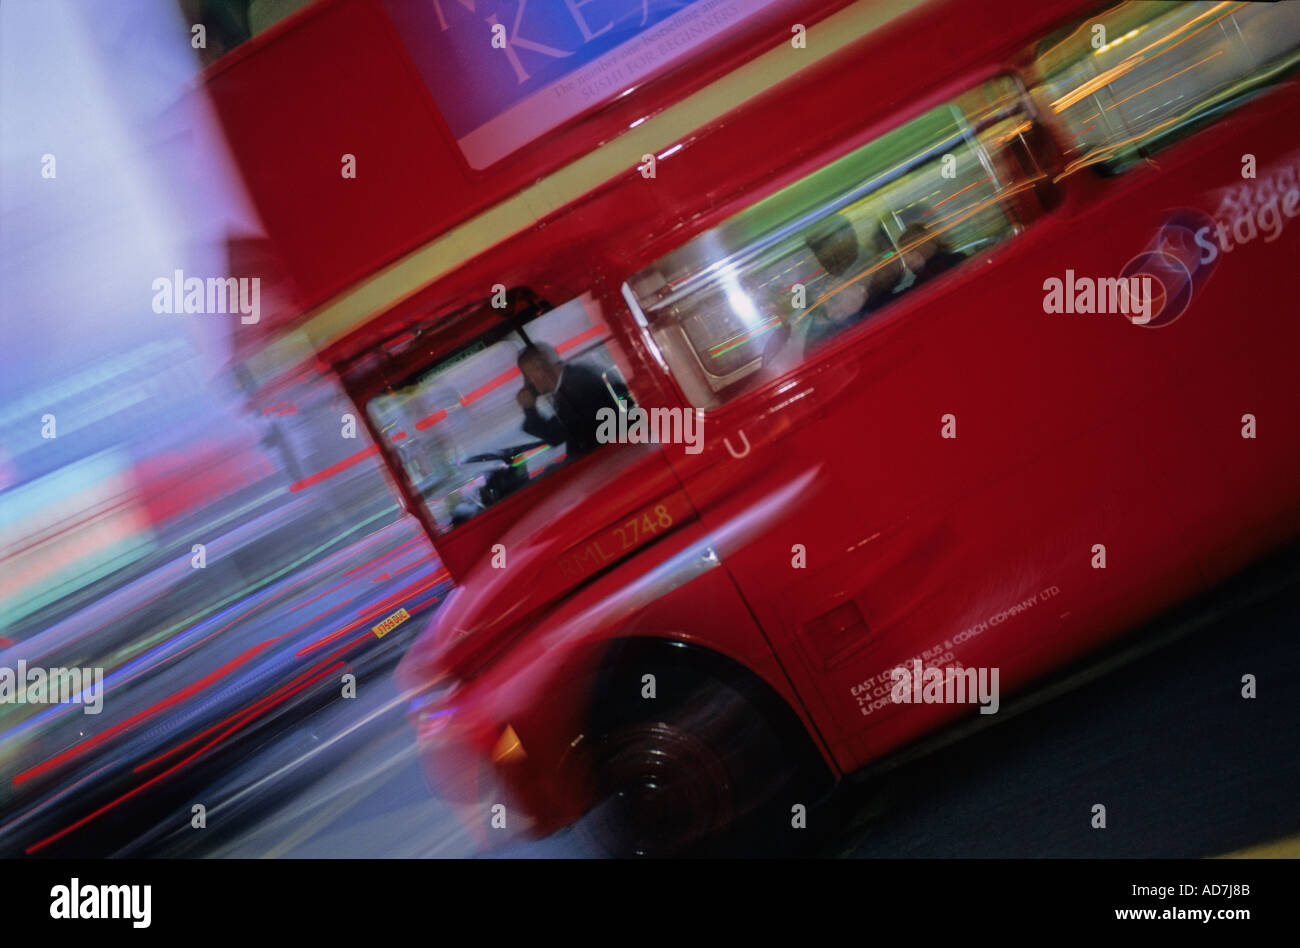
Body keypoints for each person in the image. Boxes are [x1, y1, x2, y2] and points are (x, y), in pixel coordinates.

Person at [801, 216, 903, 350]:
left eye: (821, 249)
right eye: (817, 251)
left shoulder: (875, 268)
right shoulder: (839, 276)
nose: (822, 259)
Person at [515, 342, 630, 459]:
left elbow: (555, 436)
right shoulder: (572, 380)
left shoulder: (577, 387)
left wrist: (529, 409)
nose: (528, 383)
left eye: (528, 376)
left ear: (540, 370)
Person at [899, 221, 964, 286]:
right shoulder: (955, 259)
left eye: (907, 253)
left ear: (918, 253)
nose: (905, 261)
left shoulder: (928, 277)